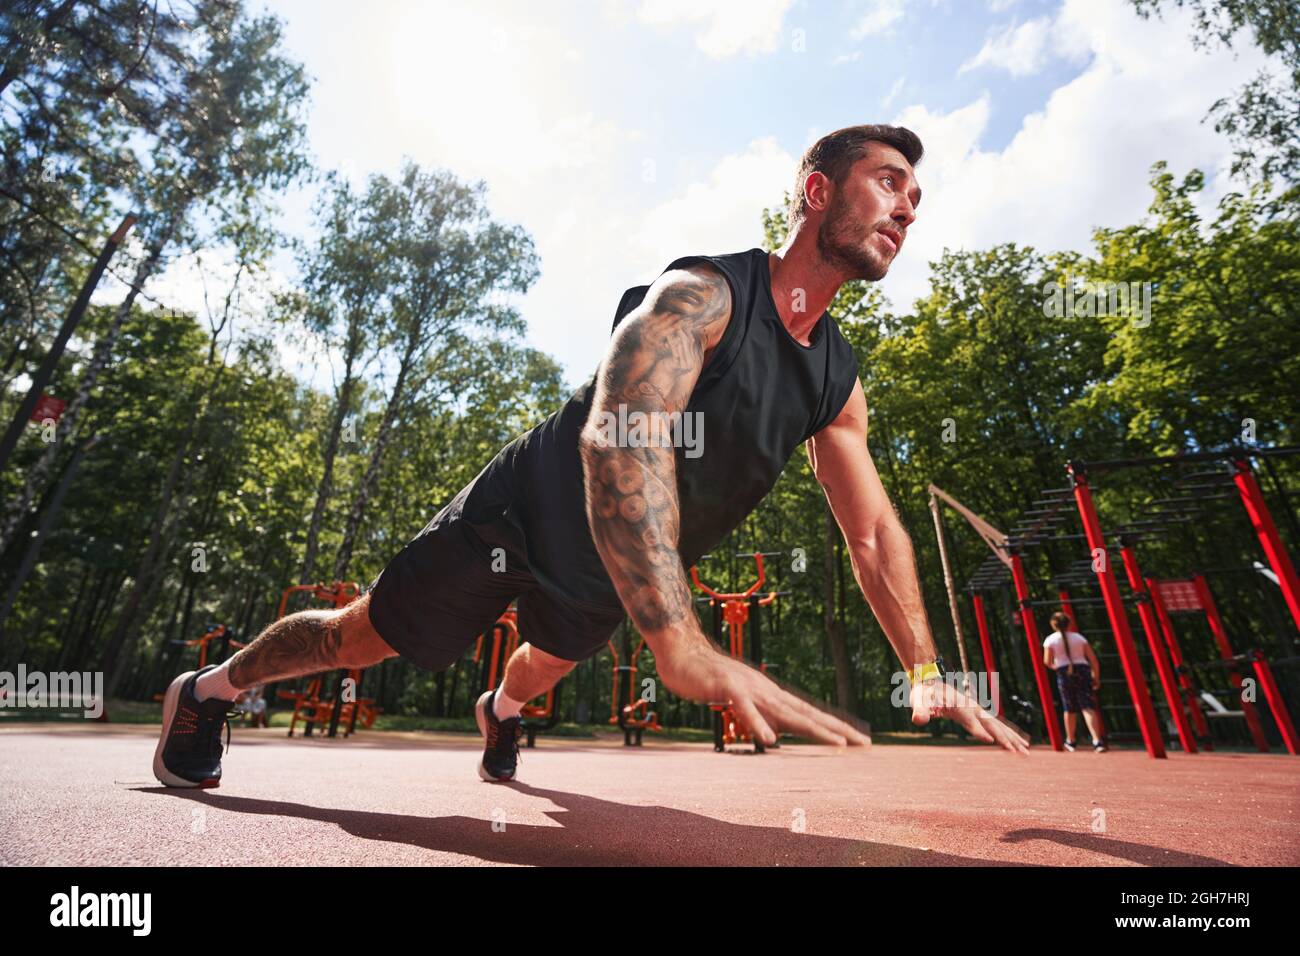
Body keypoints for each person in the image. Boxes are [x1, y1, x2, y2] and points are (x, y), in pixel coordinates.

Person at [152, 123, 1029, 790]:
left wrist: (923, 667)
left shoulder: (837, 380)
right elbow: (624, 433)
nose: (909, 206)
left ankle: (499, 710)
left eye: (918, 197)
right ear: (815, 191)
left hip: (616, 572)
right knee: (358, 638)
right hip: (524, 512)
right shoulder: (706, 294)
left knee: (540, 667)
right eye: (889, 182)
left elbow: (872, 531)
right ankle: (210, 690)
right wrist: (677, 635)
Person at [1042, 611, 1106, 752]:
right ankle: (1097, 740)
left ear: (1053, 625)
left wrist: (1057, 667)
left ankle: (1070, 740)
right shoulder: (1079, 638)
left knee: (1069, 707)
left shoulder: (1050, 640)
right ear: (1069, 623)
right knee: (1087, 706)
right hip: (1082, 670)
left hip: (1064, 672)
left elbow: (1047, 661)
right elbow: (1093, 660)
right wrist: (1095, 676)